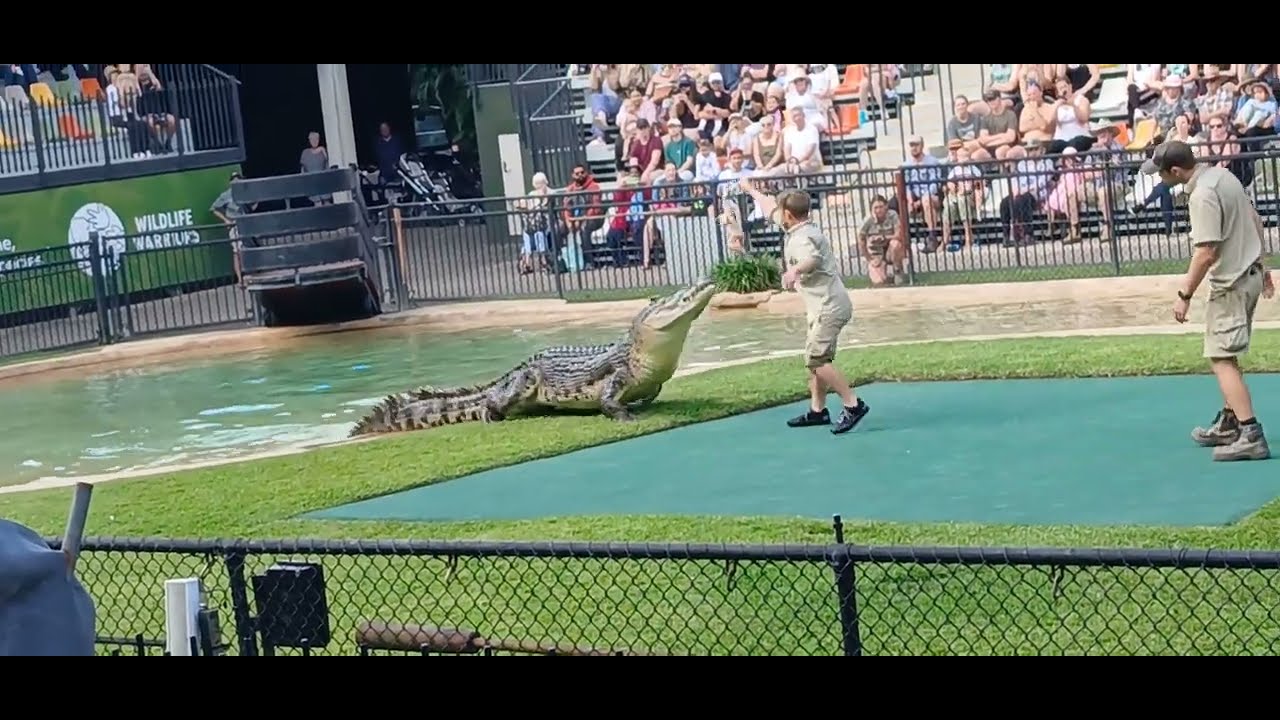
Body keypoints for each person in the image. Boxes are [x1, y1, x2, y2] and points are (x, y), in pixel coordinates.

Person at [1145, 140, 1276, 461]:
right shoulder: (1222, 176)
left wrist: (1184, 295)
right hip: (1250, 274)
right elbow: (1254, 218)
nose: (1160, 178)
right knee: (1228, 352)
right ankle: (1230, 422)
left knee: (1221, 358)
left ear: (1175, 171)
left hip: (1231, 284)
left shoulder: (1202, 194)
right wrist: (1264, 263)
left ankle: (1250, 434)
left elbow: (1206, 251)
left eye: (1161, 173)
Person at [739, 177, 869, 434]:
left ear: (789, 213)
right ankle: (818, 411)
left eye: (781, 210)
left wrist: (793, 271)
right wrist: (751, 190)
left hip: (828, 307)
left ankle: (853, 405)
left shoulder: (803, 237)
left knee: (816, 359)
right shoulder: (795, 226)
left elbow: (810, 259)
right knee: (818, 359)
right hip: (823, 305)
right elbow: (769, 207)